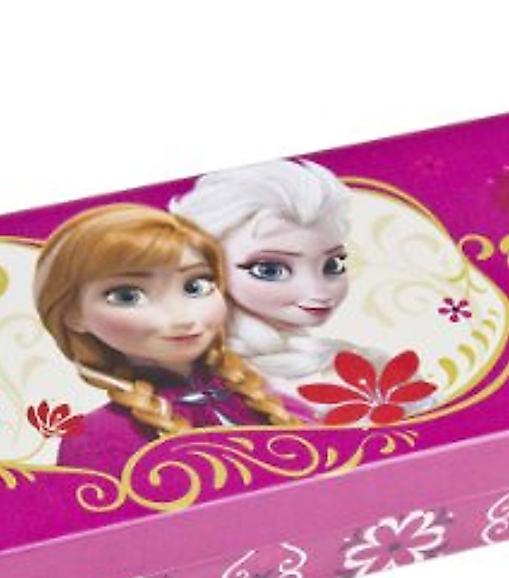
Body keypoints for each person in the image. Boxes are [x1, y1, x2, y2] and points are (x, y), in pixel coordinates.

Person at [34, 203, 302, 473]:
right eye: (128, 296)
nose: (181, 317)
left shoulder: (269, 401)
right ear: (73, 314)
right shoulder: (98, 439)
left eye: (196, 286)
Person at [171, 158, 363, 399]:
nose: (318, 292)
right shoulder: (198, 375)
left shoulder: (351, 363)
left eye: (332, 265)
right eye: (270, 270)